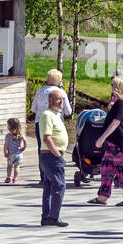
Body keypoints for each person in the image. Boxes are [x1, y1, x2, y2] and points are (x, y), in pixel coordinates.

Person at [87, 76, 123, 206]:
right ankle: (102, 197)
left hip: (120, 144)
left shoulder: (121, 103)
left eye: (112, 85)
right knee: (106, 170)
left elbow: (116, 122)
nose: (111, 87)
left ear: (117, 88)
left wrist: (101, 138)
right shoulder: (120, 104)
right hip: (113, 144)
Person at [38, 89, 69, 226]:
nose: (61, 101)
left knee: (49, 186)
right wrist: (58, 155)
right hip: (51, 156)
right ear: (50, 100)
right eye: (58, 99)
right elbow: (47, 138)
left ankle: (47, 217)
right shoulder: (47, 115)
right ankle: (53, 217)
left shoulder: (57, 115)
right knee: (59, 185)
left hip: (54, 155)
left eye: (62, 99)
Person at [4, 117, 26, 183]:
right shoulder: (21, 135)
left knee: (9, 166)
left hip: (11, 154)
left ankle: (8, 177)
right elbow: (25, 140)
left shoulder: (8, 136)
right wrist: (24, 147)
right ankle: (15, 178)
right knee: (16, 167)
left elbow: (5, 145)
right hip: (18, 154)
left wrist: (5, 152)